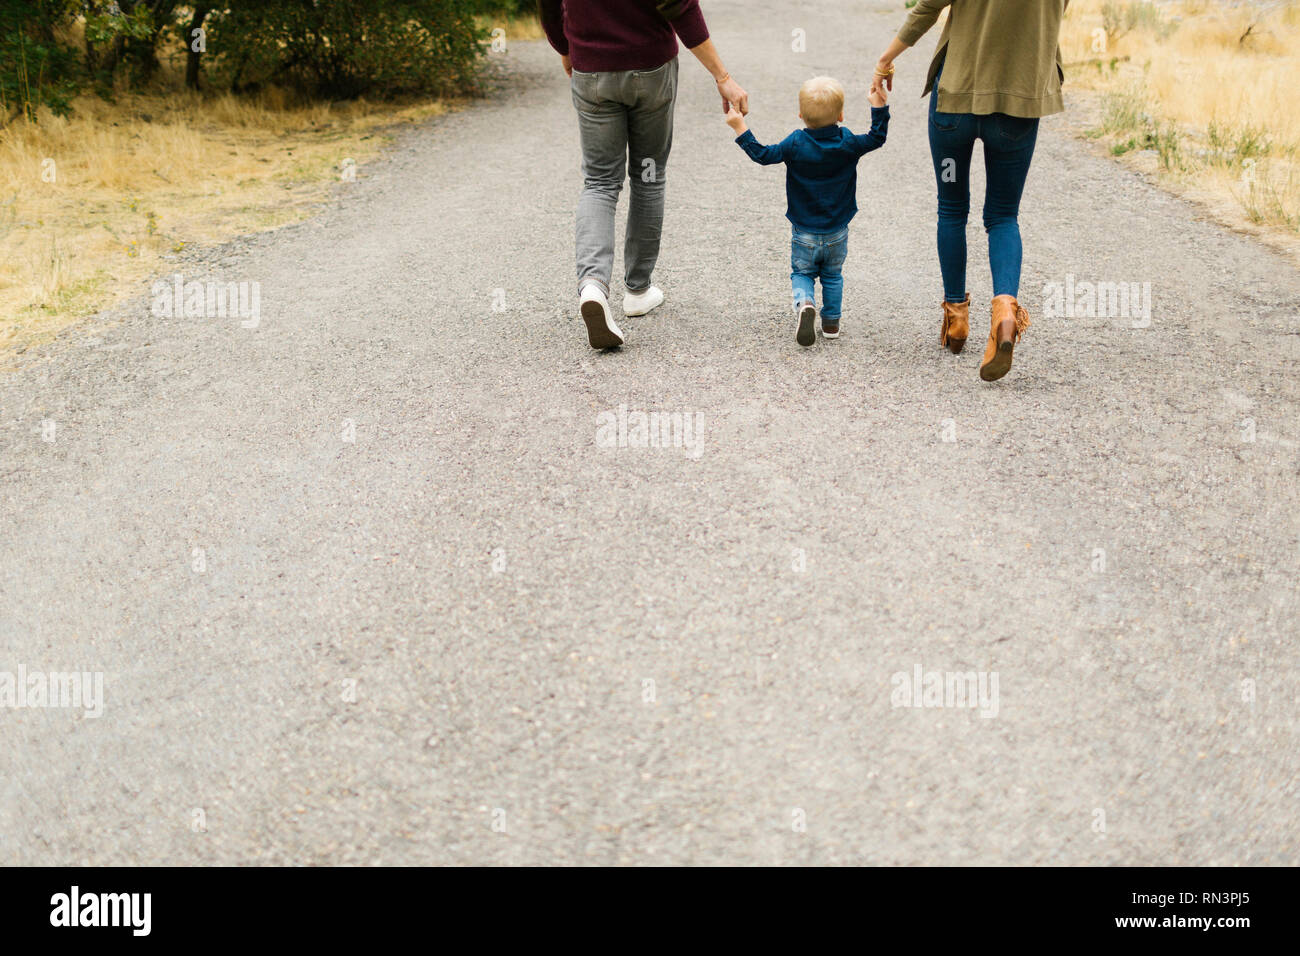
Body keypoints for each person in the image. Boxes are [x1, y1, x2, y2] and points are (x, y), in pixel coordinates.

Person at [872, 0, 1068, 380]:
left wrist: (885, 61)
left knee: (951, 209)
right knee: (1002, 216)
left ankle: (957, 320)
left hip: (954, 106)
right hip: (1018, 107)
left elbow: (926, 9)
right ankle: (1006, 311)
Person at [539, 0, 750, 349]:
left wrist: (565, 47)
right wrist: (722, 76)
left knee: (600, 183)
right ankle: (637, 291)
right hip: (650, 69)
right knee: (648, 175)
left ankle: (593, 286)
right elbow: (679, 5)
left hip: (591, 70)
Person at [726, 77, 889, 346]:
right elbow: (876, 137)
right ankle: (832, 323)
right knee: (833, 275)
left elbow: (763, 155)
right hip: (837, 230)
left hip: (804, 230)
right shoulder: (848, 141)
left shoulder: (796, 143)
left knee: (802, 273)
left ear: (801, 115)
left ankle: (805, 303)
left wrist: (739, 126)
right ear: (840, 115)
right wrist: (878, 107)